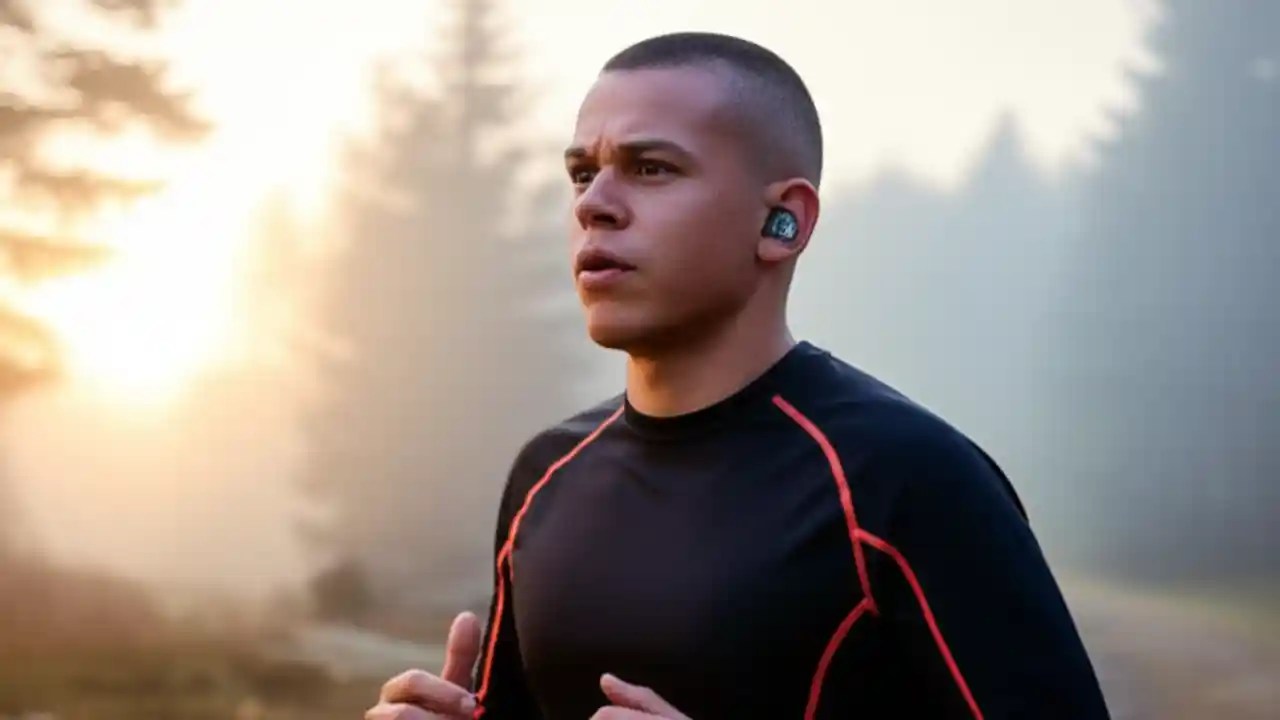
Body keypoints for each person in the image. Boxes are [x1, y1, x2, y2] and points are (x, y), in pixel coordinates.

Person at [366, 31, 1111, 720]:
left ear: (781, 222)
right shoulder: (545, 476)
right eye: (583, 174)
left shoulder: (906, 480)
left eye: (651, 169)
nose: (594, 205)